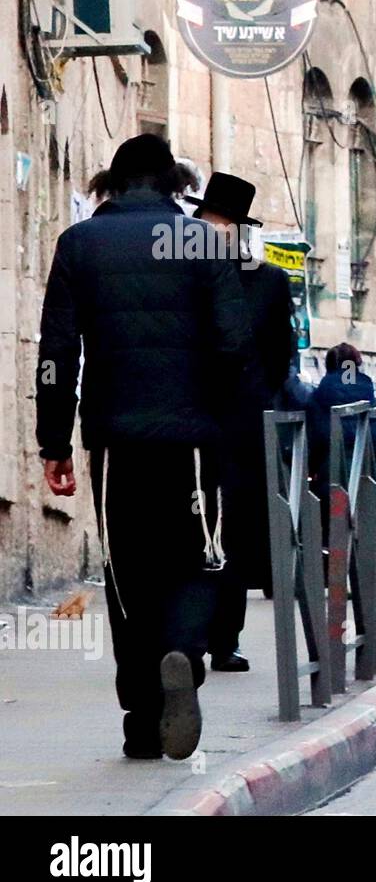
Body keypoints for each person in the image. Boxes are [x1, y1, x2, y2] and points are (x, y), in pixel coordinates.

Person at [36, 134, 251, 760]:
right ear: (175, 184)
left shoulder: (78, 244)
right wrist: (211, 414)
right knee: (194, 557)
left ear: (110, 183)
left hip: (113, 440)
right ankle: (184, 649)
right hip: (191, 440)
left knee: (127, 575)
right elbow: (234, 346)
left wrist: (55, 442)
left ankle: (140, 719)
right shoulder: (206, 244)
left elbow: (57, 354)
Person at [187, 173, 294, 672]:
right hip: (183, 420)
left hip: (240, 424)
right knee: (186, 526)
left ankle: (224, 637)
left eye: (224, 225)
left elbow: (279, 356)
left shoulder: (267, 280)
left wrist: (253, 398)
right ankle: (185, 635)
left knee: (233, 528)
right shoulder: (177, 268)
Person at [306, 343, 376, 494]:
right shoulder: (372, 401)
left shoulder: (318, 399)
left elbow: (313, 442)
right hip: (369, 481)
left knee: (335, 515)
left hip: (332, 482)